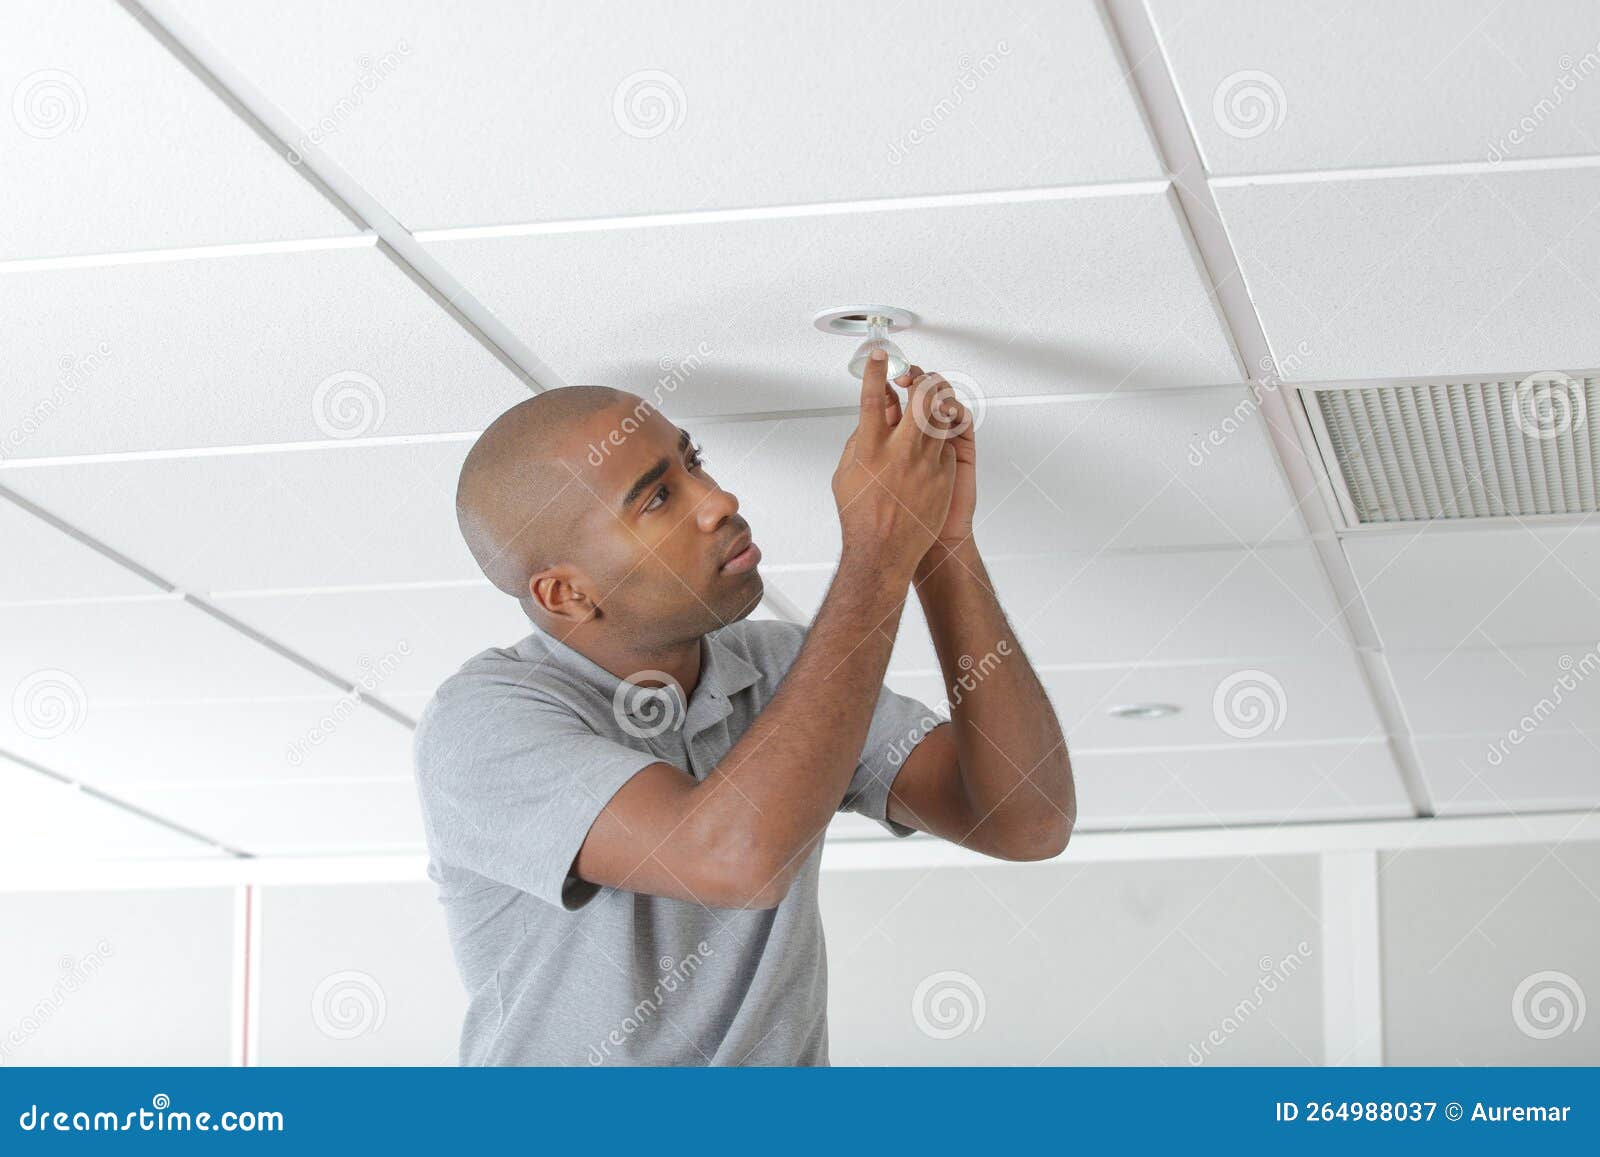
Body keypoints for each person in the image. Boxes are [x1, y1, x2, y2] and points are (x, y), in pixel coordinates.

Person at [413, 348, 1075, 1065]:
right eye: (657, 498)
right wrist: (879, 548)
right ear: (566, 593)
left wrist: (939, 543)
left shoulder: (779, 667)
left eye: (693, 462)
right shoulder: (482, 723)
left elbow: (1026, 820)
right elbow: (735, 858)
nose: (718, 499)